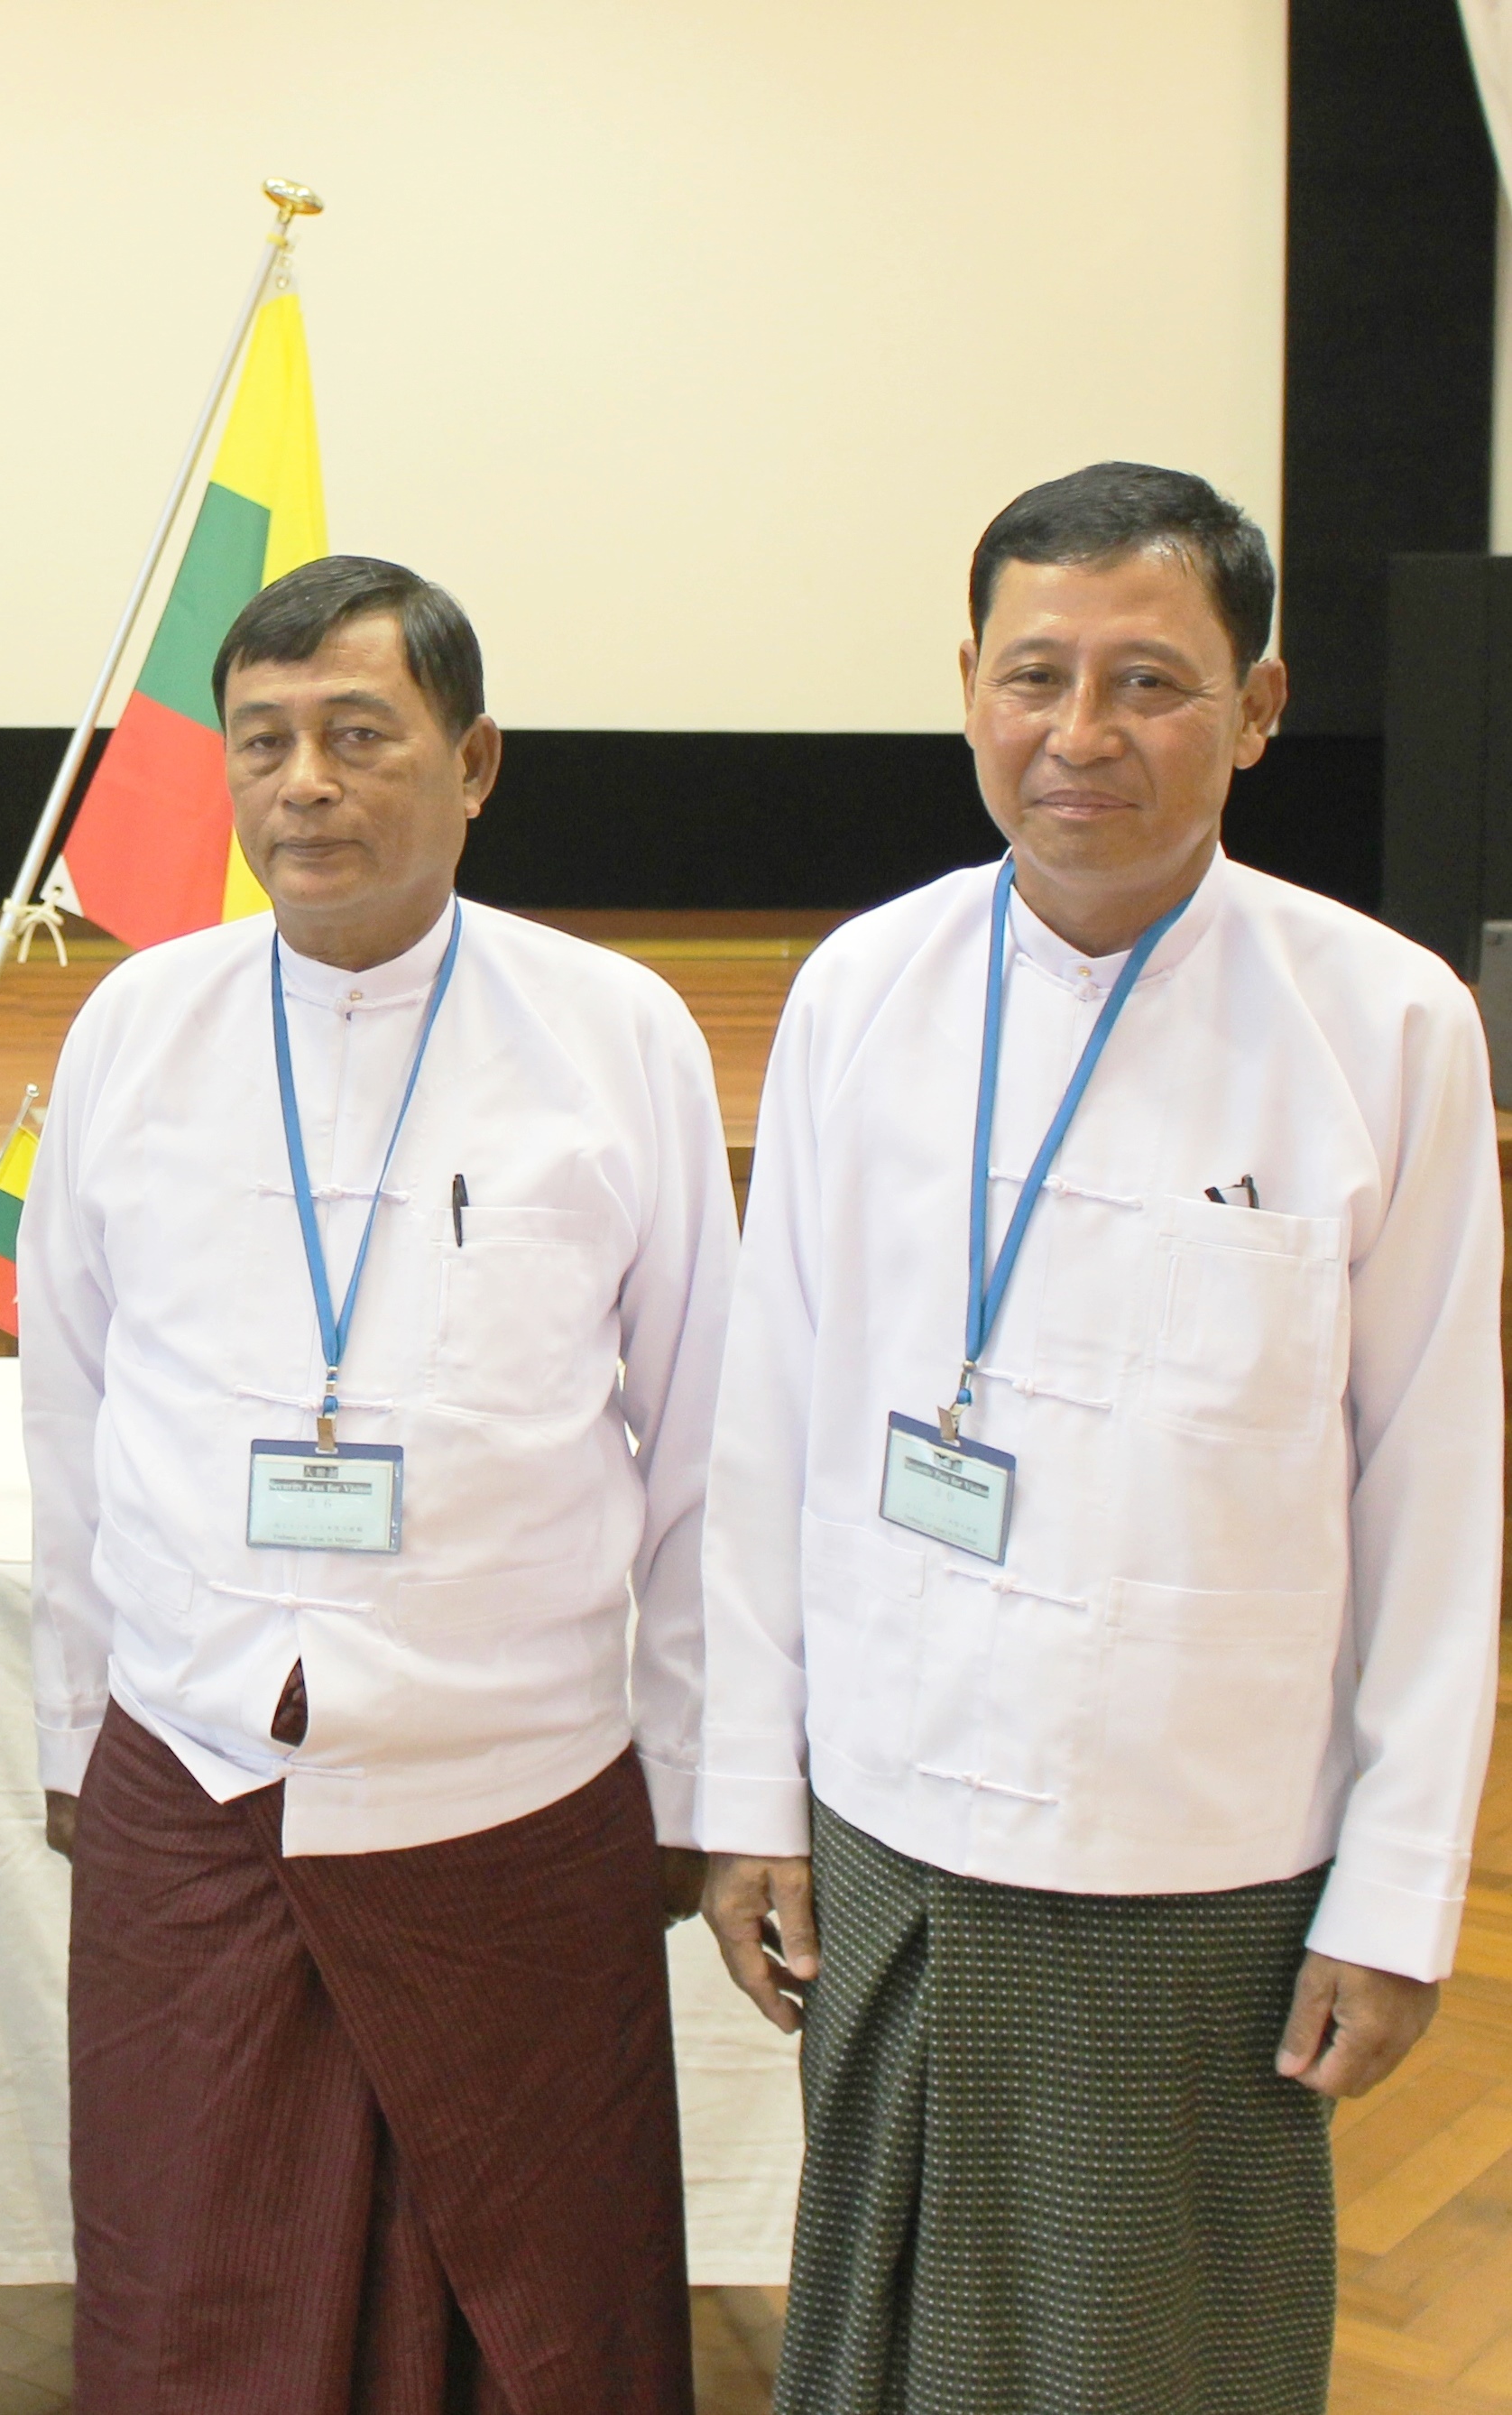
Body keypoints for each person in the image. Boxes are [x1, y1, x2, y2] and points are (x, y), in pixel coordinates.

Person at [698, 462, 1504, 2414]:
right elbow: (773, 1422)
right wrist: (749, 1794)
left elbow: (1436, 1501)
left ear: (1261, 706)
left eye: (1148, 681)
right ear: (966, 679)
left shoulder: (1380, 1024)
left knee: (1163, 2360)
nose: (1081, 735)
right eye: (1035, 672)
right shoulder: (861, 992)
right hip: (893, 1817)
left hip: (1201, 1863)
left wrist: (1399, 1900)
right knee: (878, 2349)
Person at [23, 554, 734, 2414]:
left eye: (357, 735)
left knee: (537, 2313)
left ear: (475, 758)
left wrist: (692, 1764)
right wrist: (73, 1726)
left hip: (516, 1792)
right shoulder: (136, 1028)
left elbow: (700, 1441)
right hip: (200, 1777)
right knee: (199, 2300)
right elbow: (72, 1406)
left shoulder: (616, 1034)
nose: (302, 787)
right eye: (261, 743)